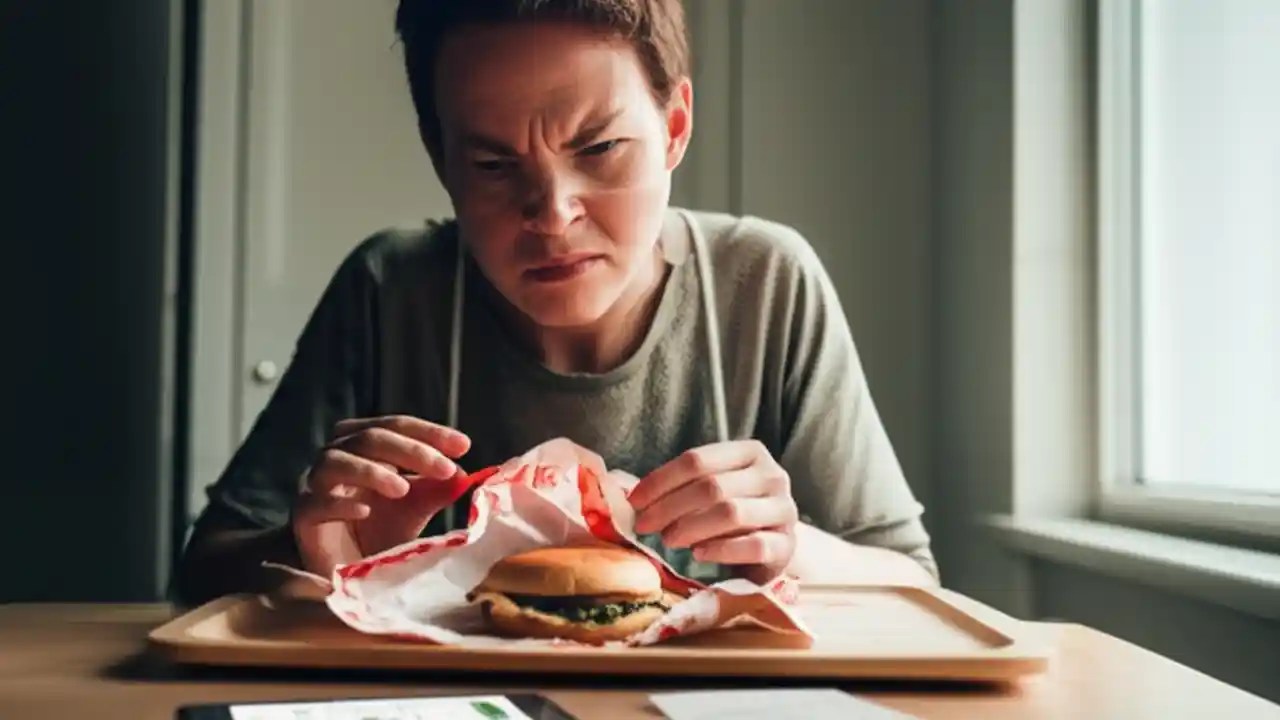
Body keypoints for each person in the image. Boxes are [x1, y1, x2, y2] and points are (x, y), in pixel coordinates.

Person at [175, 0, 937, 606]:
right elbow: (204, 571)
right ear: (441, 159)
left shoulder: (765, 284)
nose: (552, 213)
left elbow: (915, 583)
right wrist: (318, 550)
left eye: (599, 149)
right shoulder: (389, 290)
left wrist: (790, 549)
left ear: (674, 128)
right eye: (493, 164)